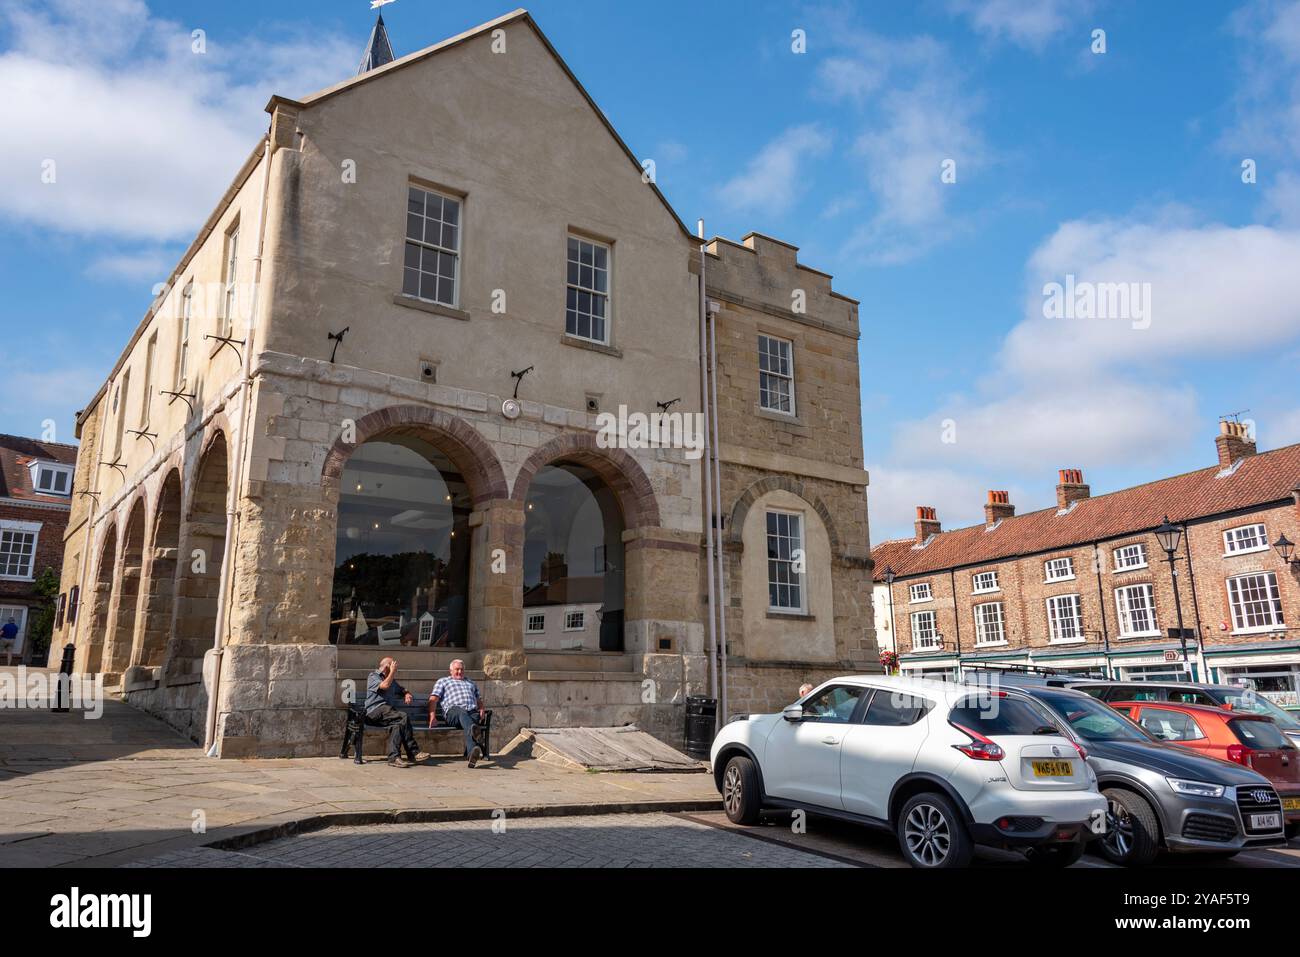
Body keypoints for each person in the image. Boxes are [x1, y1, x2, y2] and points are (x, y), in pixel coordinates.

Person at [365, 656, 431, 767]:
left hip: (387, 714)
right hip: (374, 712)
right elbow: (384, 686)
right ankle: (413, 752)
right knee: (403, 716)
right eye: (393, 666)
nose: (395, 668)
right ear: (387, 667)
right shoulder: (373, 676)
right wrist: (392, 672)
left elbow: (401, 689)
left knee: (398, 724)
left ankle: (394, 758)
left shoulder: (392, 681)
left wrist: (406, 693)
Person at [429, 658, 486, 767]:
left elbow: (479, 699)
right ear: (450, 671)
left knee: (471, 723)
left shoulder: (471, 682)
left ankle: (471, 756)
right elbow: (433, 699)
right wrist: (432, 716)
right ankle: (477, 736)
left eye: (462, 670)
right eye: (457, 669)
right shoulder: (443, 681)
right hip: (453, 713)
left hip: (471, 712)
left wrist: (482, 709)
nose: (460, 672)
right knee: (463, 714)